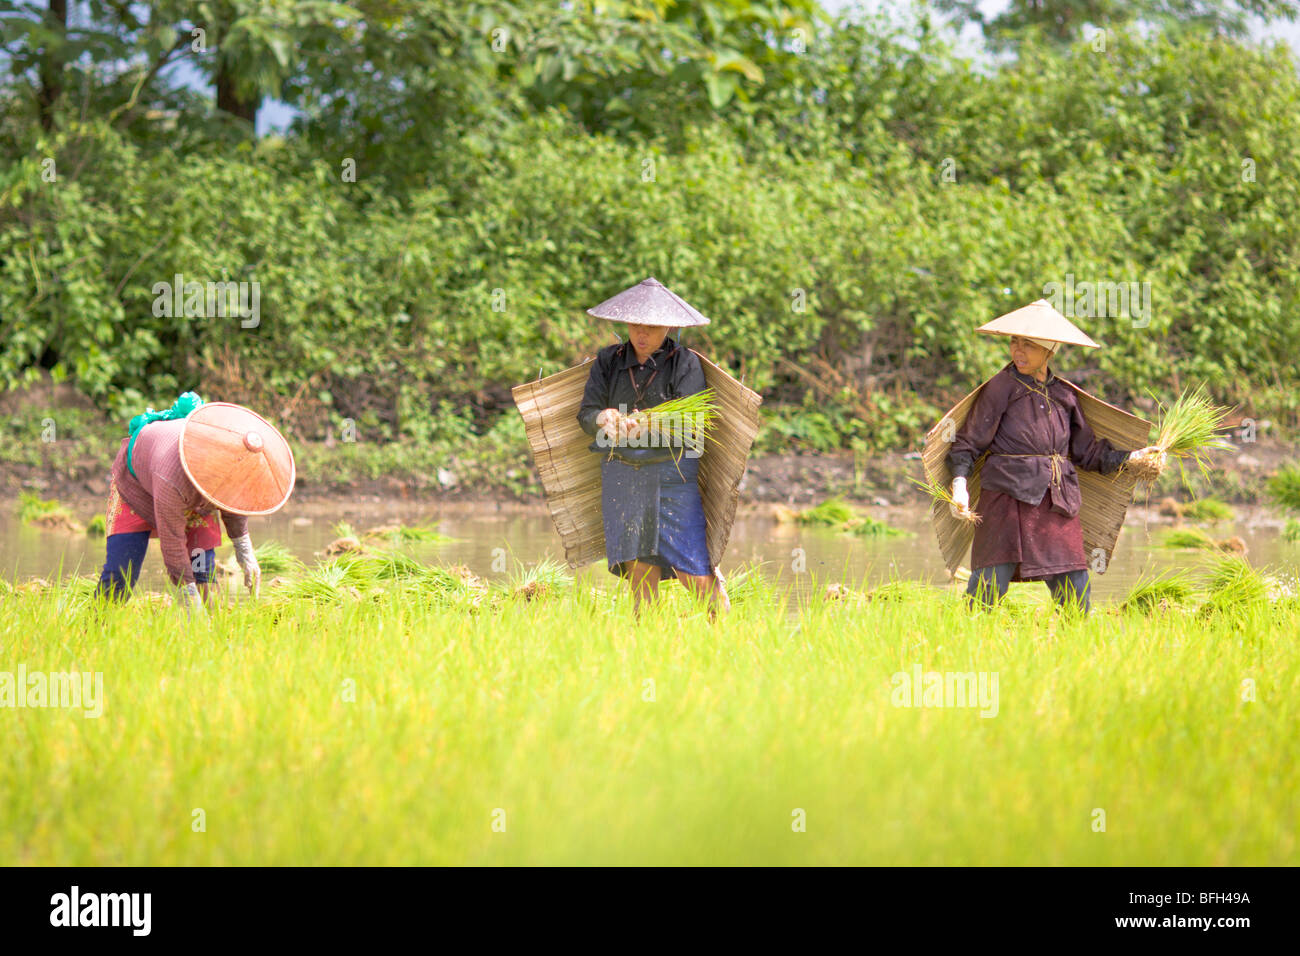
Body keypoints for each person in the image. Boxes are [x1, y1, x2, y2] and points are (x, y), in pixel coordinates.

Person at [946, 301, 1165, 613]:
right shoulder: (1000, 388)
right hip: (1006, 498)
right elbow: (967, 443)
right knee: (990, 581)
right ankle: (966, 637)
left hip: (1056, 498)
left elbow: (1086, 452)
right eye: (1014, 342)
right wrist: (960, 485)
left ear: (1050, 351)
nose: (1018, 352)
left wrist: (1133, 457)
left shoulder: (1064, 395)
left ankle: (1077, 642)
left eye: (1028, 345)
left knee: (1074, 582)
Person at [577, 277, 729, 618]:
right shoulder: (608, 361)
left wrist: (647, 424)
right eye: (635, 326)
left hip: (670, 473)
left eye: (651, 327)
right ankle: (644, 637)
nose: (641, 334)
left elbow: (692, 426)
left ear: (668, 327)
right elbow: (585, 414)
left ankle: (722, 630)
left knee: (692, 568)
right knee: (638, 565)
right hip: (623, 470)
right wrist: (604, 418)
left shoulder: (684, 364)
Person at [97, 393, 296, 615]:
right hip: (137, 488)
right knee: (122, 571)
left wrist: (244, 549)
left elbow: (233, 498)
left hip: (193, 494)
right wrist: (189, 598)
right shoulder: (171, 479)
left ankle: (209, 632)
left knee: (202, 569)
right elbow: (172, 542)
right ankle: (96, 628)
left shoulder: (227, 460)